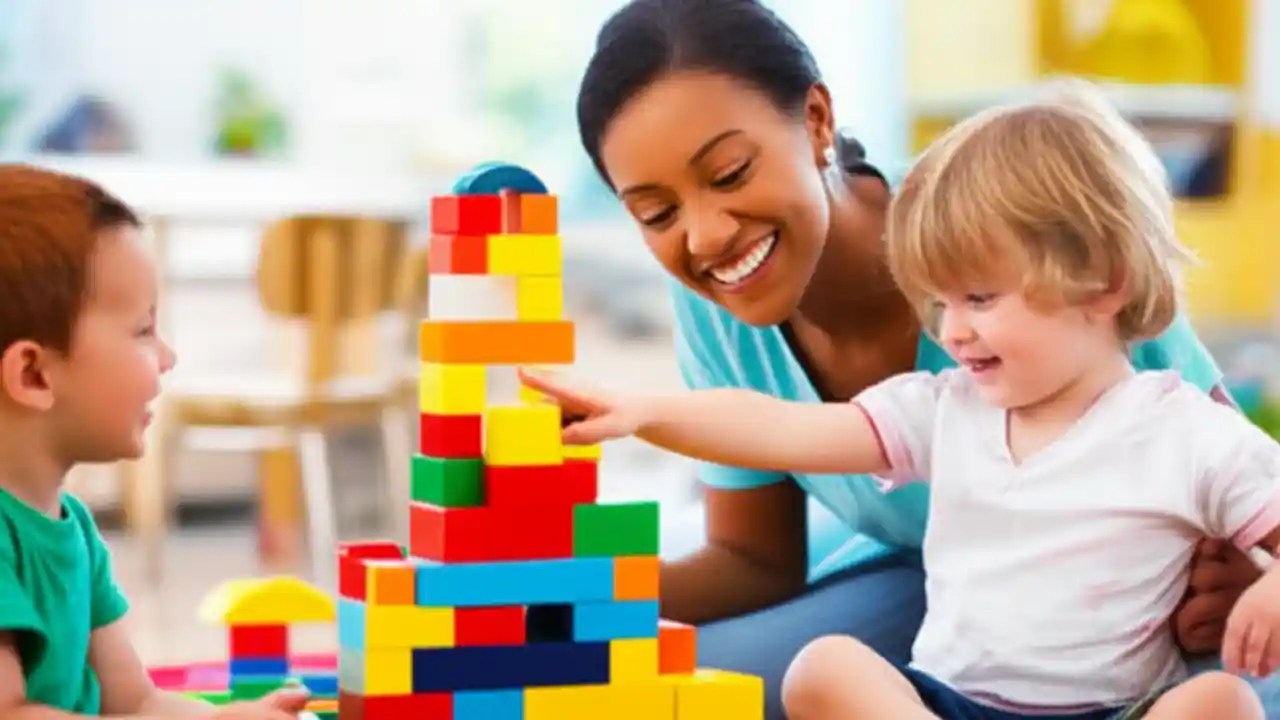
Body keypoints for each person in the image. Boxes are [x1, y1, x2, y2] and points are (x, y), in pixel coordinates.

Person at [573, 1, 1275, 717]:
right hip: (941, 616)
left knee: (1231, 696)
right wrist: (574, 579)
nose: (704, 236)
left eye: (728, 173)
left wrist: (1248, 574)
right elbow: (760, 528)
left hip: (1117, 635)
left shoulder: (1013, 220)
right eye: (657, 214)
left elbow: (1236, 484)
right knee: (679, 685)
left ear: (816, 120)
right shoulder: (923, 397)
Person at [0, 165, 309, 718]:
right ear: (34, 375)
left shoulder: (71, 527)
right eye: (144, 330)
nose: (167, 357)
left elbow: (136, 701)